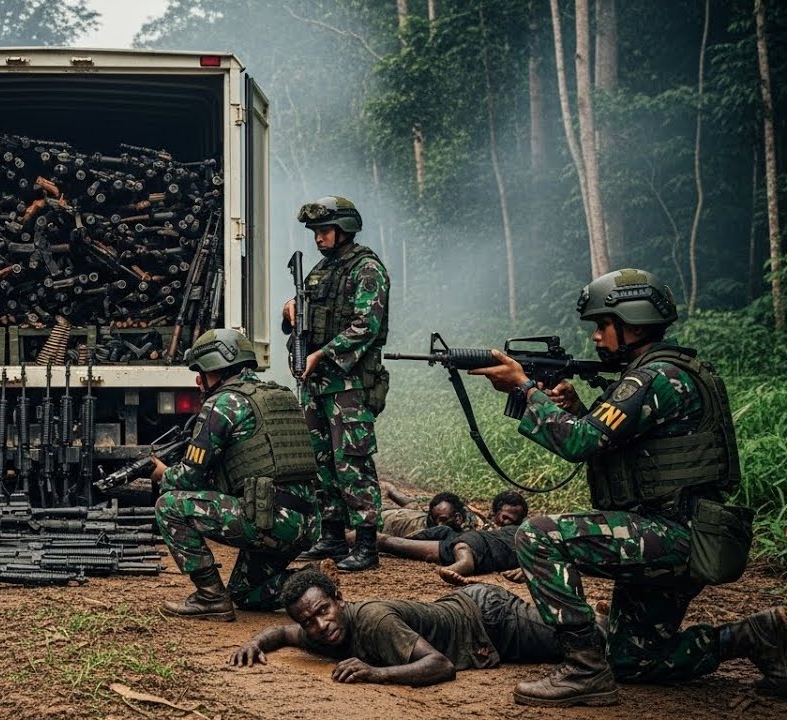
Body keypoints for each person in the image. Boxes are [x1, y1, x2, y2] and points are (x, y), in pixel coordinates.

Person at [470, 268, 787, 706]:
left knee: (539, 535)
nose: (597, 338)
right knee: (635, 661)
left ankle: (583, 671)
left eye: (603, 325)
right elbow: (618, 443)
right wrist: (579, 407)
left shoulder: (651, 378)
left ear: (633, 323)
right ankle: (754, 635)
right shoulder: (667, 373)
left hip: (675, 535)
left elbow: (580, 441)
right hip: (681, 532)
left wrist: (526, 389)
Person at [149, 328, 321, 621]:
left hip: (269, 521)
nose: (198, 381)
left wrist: (161, 475)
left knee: (170, 506)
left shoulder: (223, 403)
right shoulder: (281, 395)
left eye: (200, 372)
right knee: (245, 595)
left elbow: (189, 479)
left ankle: (210, 598)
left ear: (213, 369)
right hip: (306, 524)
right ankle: (312, 582)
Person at [285, 196, 390, 571]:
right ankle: (331, 536)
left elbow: (365, 327)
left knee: (353, 463)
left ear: (344, 230)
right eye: (314, 232)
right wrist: (290, 314)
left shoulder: (366, 270)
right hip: (317, 386)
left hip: (349, 387)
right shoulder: (321, 271)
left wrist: (322, 355)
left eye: (324, 231)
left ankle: (365, 545)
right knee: (319, 462)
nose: (318, 238)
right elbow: (310, 319)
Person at [228, 569, 561, 686]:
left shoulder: (374, 621)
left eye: (323, 611)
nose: (319, 625)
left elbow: (440, 665)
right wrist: (255, 643)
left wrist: (375, 673)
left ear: (339, 600)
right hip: (472, 616)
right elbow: (283, 632)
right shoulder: (320, 631)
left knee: (587, 639)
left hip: (488, 618)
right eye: (308, 621)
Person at [377, 524, 523, 586]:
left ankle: (360, 537)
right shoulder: (533, 536)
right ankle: (461, 565)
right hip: (476, 543)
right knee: (393, 544)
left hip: (469, 539)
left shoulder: (525, 531)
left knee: (394, 544)